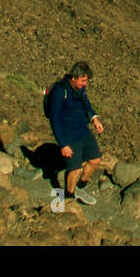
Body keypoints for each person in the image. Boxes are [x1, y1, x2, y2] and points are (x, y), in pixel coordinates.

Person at [46, 61, 104, 205]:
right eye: (83, 81)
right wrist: (63, 144)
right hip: (68, 133)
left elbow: (86, 102)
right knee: (75, 168)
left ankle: (80, 188)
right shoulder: (60, 91)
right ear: (73, 78)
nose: (85, 84)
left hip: (82, 129)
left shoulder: (80, 89)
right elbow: (55, 119)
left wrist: (94, 118)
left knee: (95, 159)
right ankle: (69, 196)